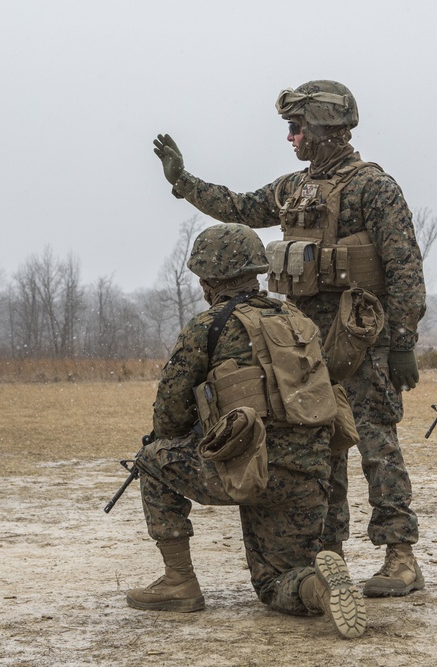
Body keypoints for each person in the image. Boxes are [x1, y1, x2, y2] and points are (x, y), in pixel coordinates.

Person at [151, 80, 427, 597]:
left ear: (325, 128)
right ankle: (329, 556)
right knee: (321, 444)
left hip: (362, 339)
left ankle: (400, 556)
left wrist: (404, 340)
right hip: (303, 346)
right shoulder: (293, 188)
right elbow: (238, 206)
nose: (291, 138)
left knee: (376, 443)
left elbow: (404, 267)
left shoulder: (374, 187)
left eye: (297, 128)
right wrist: (183, 181)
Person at [127, 223, 366, 639]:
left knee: (151, 459)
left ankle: (179, 581)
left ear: (207, 280)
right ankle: (319, 588)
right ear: (253, 270)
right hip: (309, 474)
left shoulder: (208, 326)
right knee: (278, 580)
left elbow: (168, 417)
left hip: (247, 469)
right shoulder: (297, 319)